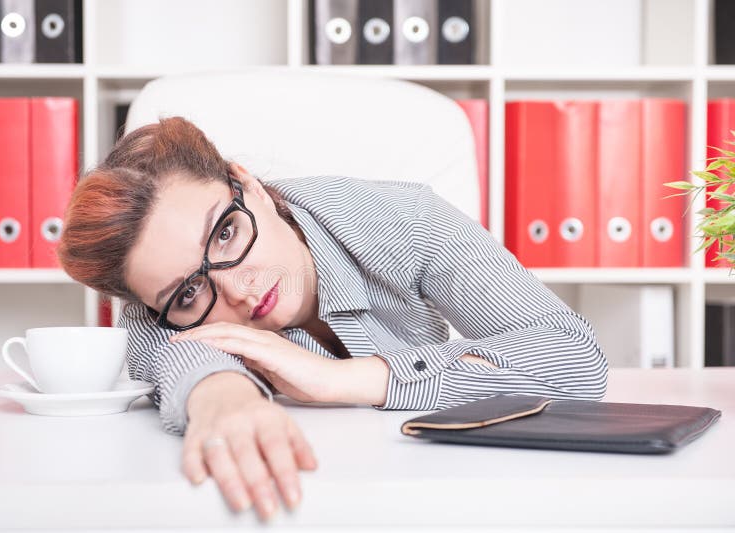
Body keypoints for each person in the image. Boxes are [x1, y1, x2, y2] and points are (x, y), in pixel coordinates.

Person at [57, 116, 608, 521]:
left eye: (225, 233)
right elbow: (165, 350)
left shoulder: (406, 219)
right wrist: (224, 397)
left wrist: (347, 379)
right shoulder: (163, 313)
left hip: (449, 498)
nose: (239, 289)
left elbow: (575, 356)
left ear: (249, 186)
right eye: (188, 292)